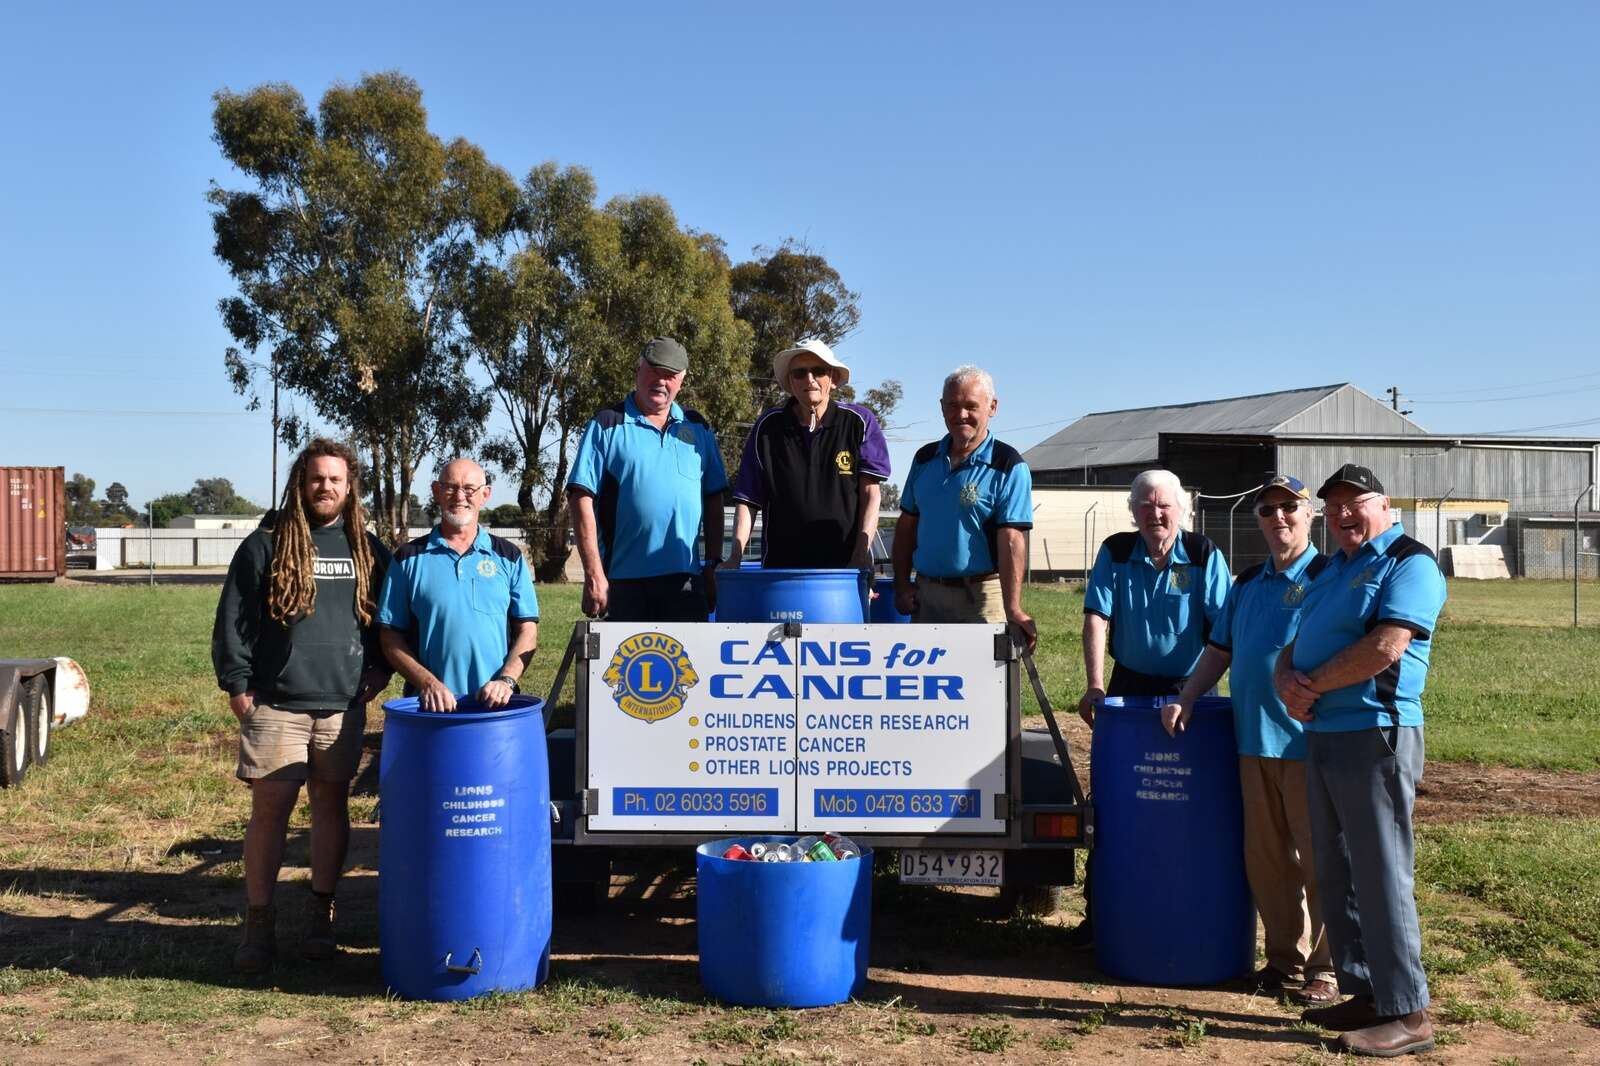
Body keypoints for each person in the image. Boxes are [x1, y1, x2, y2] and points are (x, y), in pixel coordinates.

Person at [1275, 464, 1444, 1057]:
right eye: (1335, 505)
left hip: (1376, 736)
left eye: (1357, 501)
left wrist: (1311, 685)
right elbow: (1296, 641)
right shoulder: (1335, 570)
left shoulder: (1409, 562)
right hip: (1324, 735)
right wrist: (1285, 678)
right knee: (1337, 867)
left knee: (1380, 873)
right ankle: (1366, 992)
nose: (1345, 513)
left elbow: (1387, 645)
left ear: (1385, 504)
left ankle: (1410, 1013)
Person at [212, 438, 392, 973]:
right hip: (277, 703)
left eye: (336, 479)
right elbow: (234, 620)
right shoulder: (265, 544)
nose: (326, 487)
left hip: (340, 705)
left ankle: (321, 913)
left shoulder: (367, 547)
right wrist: (238, 686)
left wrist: (380, 671)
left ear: (350, 485)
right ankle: (259, 921)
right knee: (269, 811)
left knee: (330, 808)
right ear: (301, 482)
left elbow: (389, 621)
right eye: (317, 478)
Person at [1160, 475, 1337, 1004]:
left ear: (1311, 515)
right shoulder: (1248, 583)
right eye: (1267, 510)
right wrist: (1187, 696)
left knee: (1321, 861)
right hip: (1253, 741)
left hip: (1311, 743)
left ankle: (1327, 971)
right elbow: (1219, 651)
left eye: (1289, 508)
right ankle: (1284, 961)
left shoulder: (1331, 577)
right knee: (1268, 860)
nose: (1278, 517)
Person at [1072, 468, 1231, 946]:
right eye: (1145, 505)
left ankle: (1192, 905)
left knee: (1193, 800)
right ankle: (1100, 914)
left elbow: (1222, 633)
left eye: (1164, 505)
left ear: (1182, 510)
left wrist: (1193, 696)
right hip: (1128, 688)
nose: (1155, 513)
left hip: (1192, 687)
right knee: (1115, 801)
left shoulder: (1203, 554)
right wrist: (1096, 684)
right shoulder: (1117, 551)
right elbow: (1097, 617)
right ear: (1133, 511)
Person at [566, 337, 727, 622]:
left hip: (686, 582)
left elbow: (714, 496)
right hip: (623, 582)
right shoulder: (606, 424)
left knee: (687, 667)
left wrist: (713, 564)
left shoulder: (698, 427)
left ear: (682, 380)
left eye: (670, 375)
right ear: (638, 369)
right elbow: (581, 498)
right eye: (654, 371)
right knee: (624, 668)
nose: (661, 382)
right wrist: (594, 573)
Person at [377, 458, 539, 713]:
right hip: (431, 708)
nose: (459, 496)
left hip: (496, 705)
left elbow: (528, 631)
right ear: (436, 492)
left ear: (485, 494)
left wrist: (506, 681)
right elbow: (389, 637)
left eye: (469, 489)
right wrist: (427, 683)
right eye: (450, 487)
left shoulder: (509, 556)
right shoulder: (407, 558)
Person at [892, 364, 1036, 649]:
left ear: (992, 407)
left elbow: (1011, 540)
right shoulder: (924, 459)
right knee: (928, 687)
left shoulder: (1008, 465)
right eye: (953, 406)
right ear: (942, 407)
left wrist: (1014, 608)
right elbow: (907, 526)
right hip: (928, 596)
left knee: (988, 688)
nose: (961, 415)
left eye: (971, 406)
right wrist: (901, 584)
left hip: (982, 599)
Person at [725, 338, 890, 569]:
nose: (809, 379)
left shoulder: (858, 422)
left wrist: (861, 554)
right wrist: (734, 557)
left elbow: (871, 495)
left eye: (818, 371)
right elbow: (748, 500)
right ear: (790, 382)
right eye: (800, 373)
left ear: (832, 378)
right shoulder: (768, 427)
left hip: (846, 571)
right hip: (780, 572)